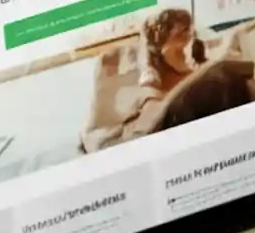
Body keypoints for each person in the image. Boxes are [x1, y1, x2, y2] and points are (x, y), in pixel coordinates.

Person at [80, 8, 203, 152]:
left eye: (190, 33)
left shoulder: (201, 77)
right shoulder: (150, 102)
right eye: (181, 34)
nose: (189, 40)